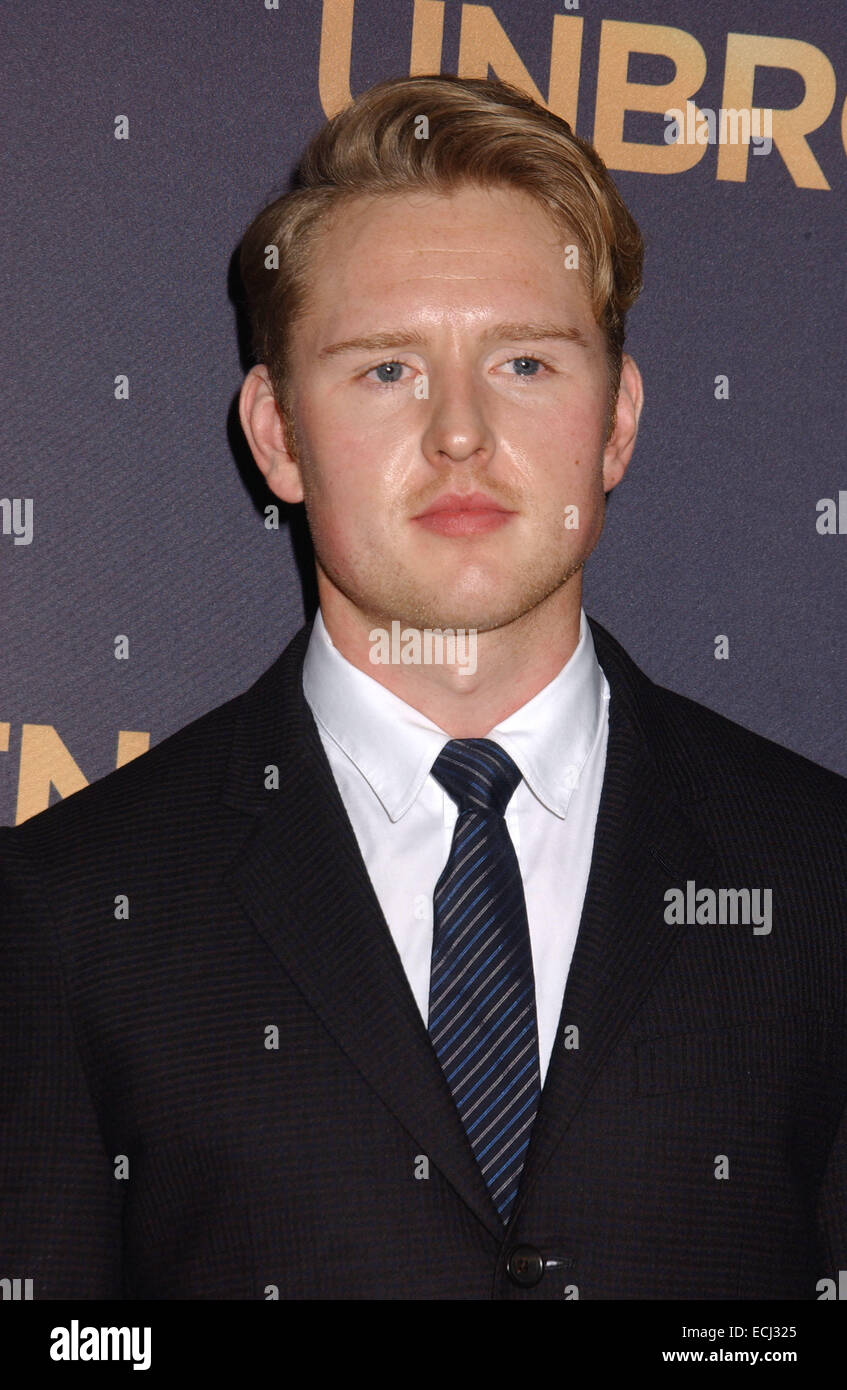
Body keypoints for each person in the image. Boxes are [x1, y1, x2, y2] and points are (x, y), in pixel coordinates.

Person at [1, 74, 845, 1301]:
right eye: (386, 369)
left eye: (523, 361)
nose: (459, 431)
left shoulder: (821, 880)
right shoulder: (69, 917)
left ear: (615, 424)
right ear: (278, 435)